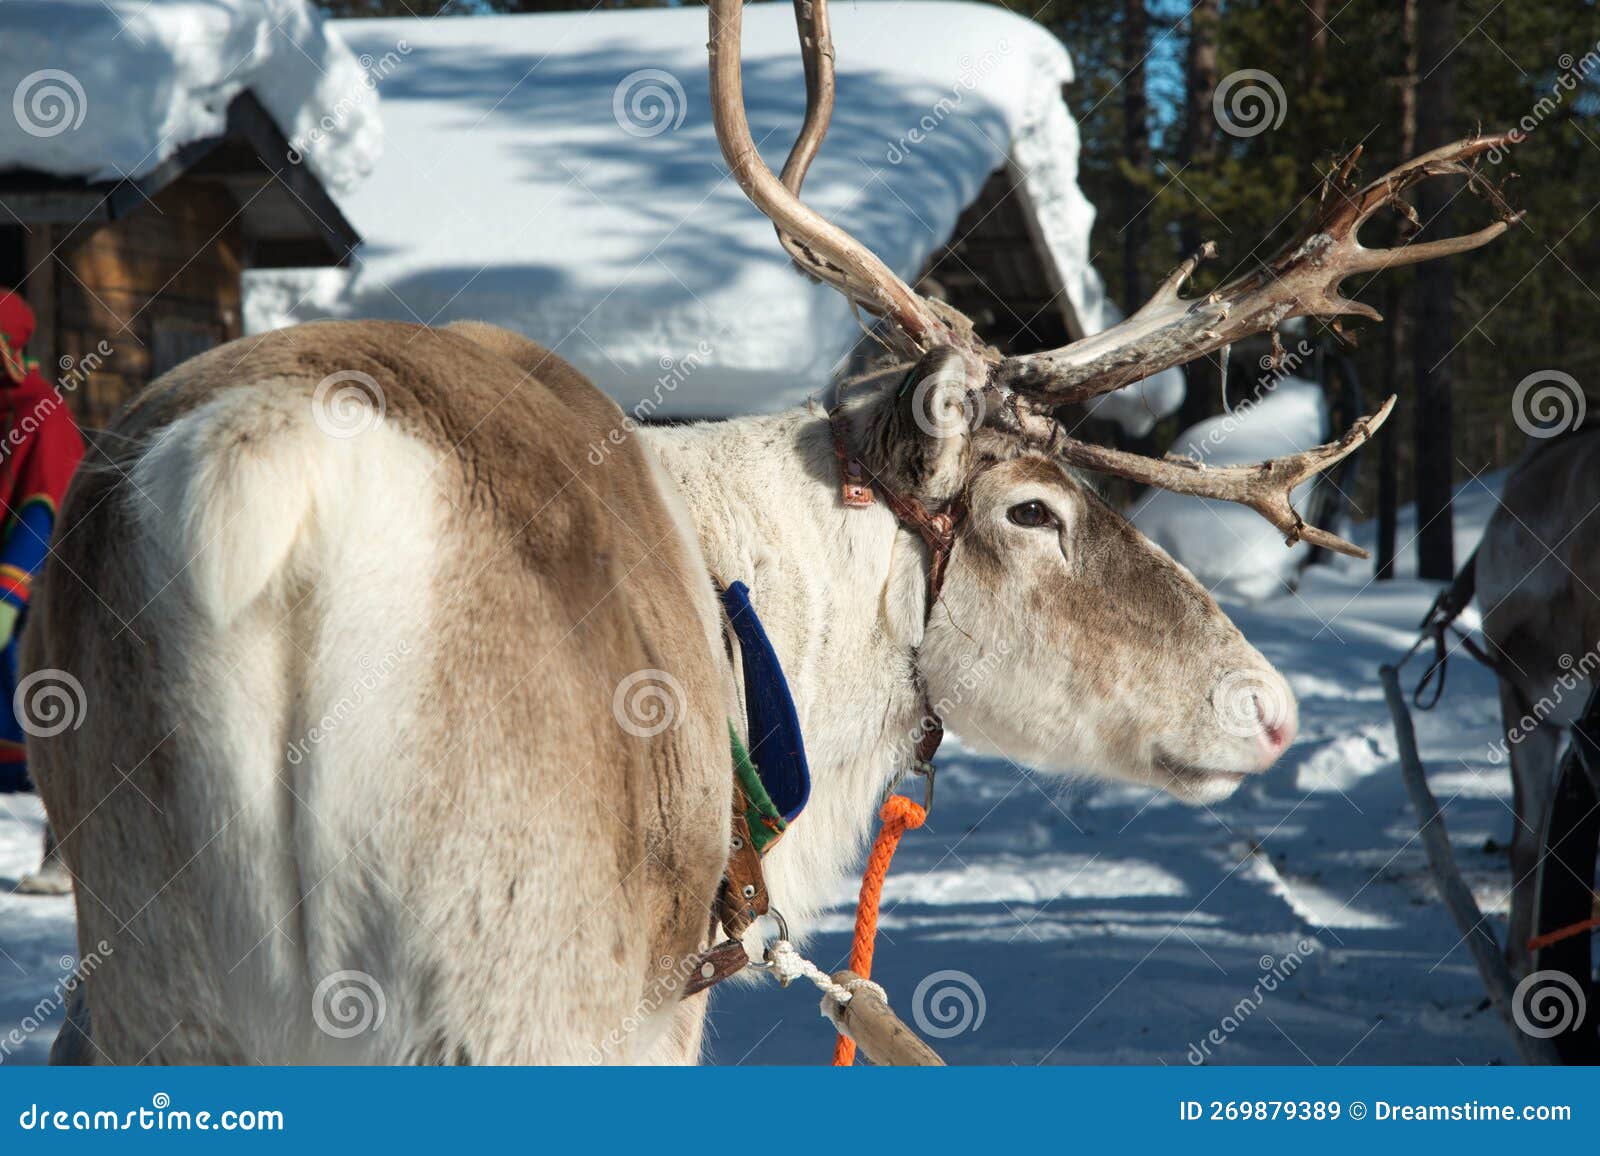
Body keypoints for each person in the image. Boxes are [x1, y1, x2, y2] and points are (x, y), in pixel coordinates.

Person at [0, 289, 85, 894]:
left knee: (44, 713)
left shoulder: (42, 414)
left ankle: (66, 852)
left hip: (37, 595)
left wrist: (7, 594)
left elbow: (43, 508)